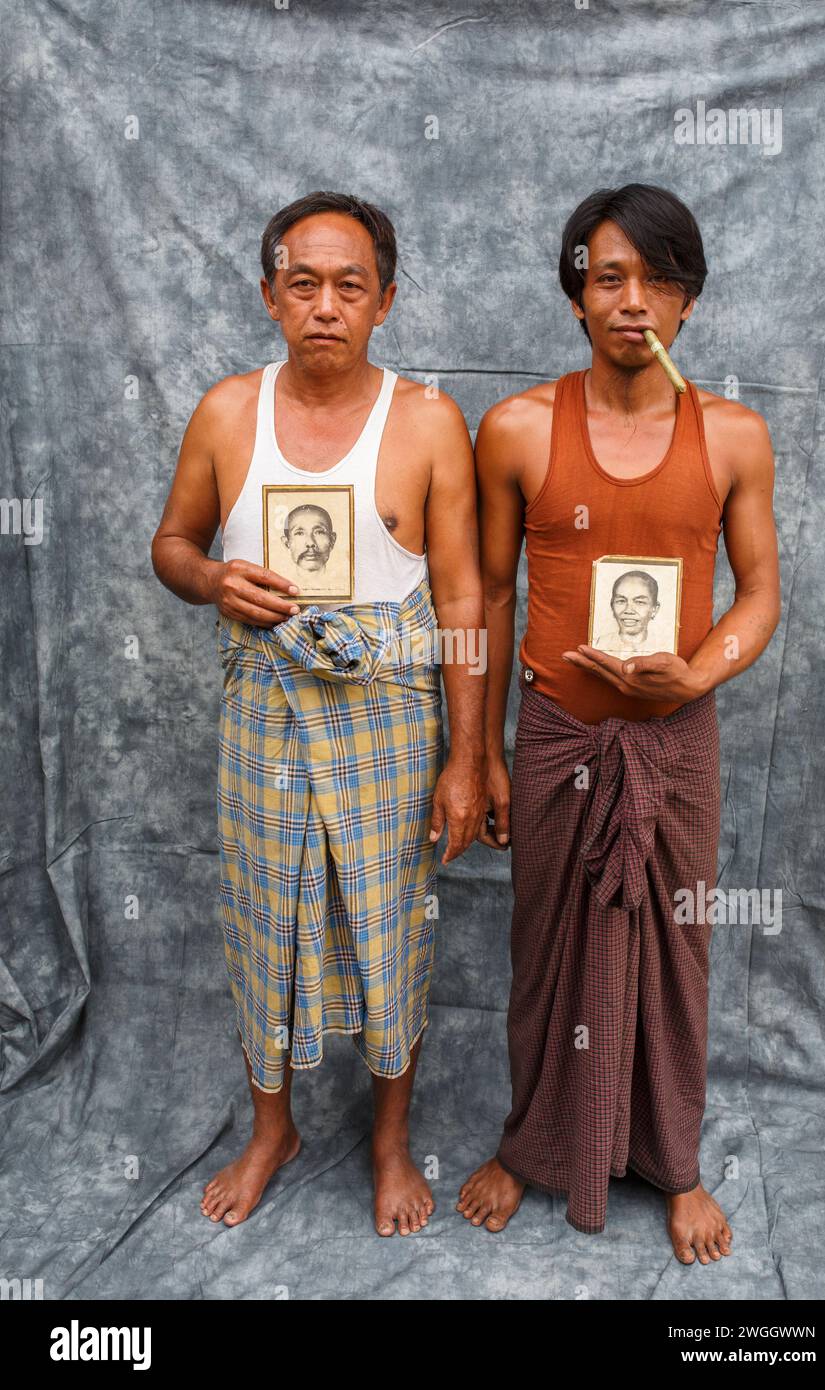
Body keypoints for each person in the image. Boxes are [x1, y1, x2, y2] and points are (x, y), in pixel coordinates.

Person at [458, 183, 781, 1265]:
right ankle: (528, 1145)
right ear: (575, 298)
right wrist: (483, 752)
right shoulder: (515, 429)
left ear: (686, 302)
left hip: (674, 744)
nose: (630, 299)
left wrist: (690, 674)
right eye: (607, 277)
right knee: (543, 950)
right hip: (556, 741)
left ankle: (672, 1164)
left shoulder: (732, 436)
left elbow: (758, 597)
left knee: (676, 952)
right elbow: (489, 597)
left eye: (655, 279)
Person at [151, 191, 486, 1236]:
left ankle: (389, 1142)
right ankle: (272, 1129)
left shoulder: (427, 422)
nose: (325, 306)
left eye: (351, 286)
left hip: (389, 719)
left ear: (385, 300)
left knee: (391, 934)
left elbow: (465, 597)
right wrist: (211, 580)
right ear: (268, 296)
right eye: (303, 284)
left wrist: (467, 758)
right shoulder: (224, 411)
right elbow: (170, 544)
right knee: (263, 924)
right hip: (264, 716)